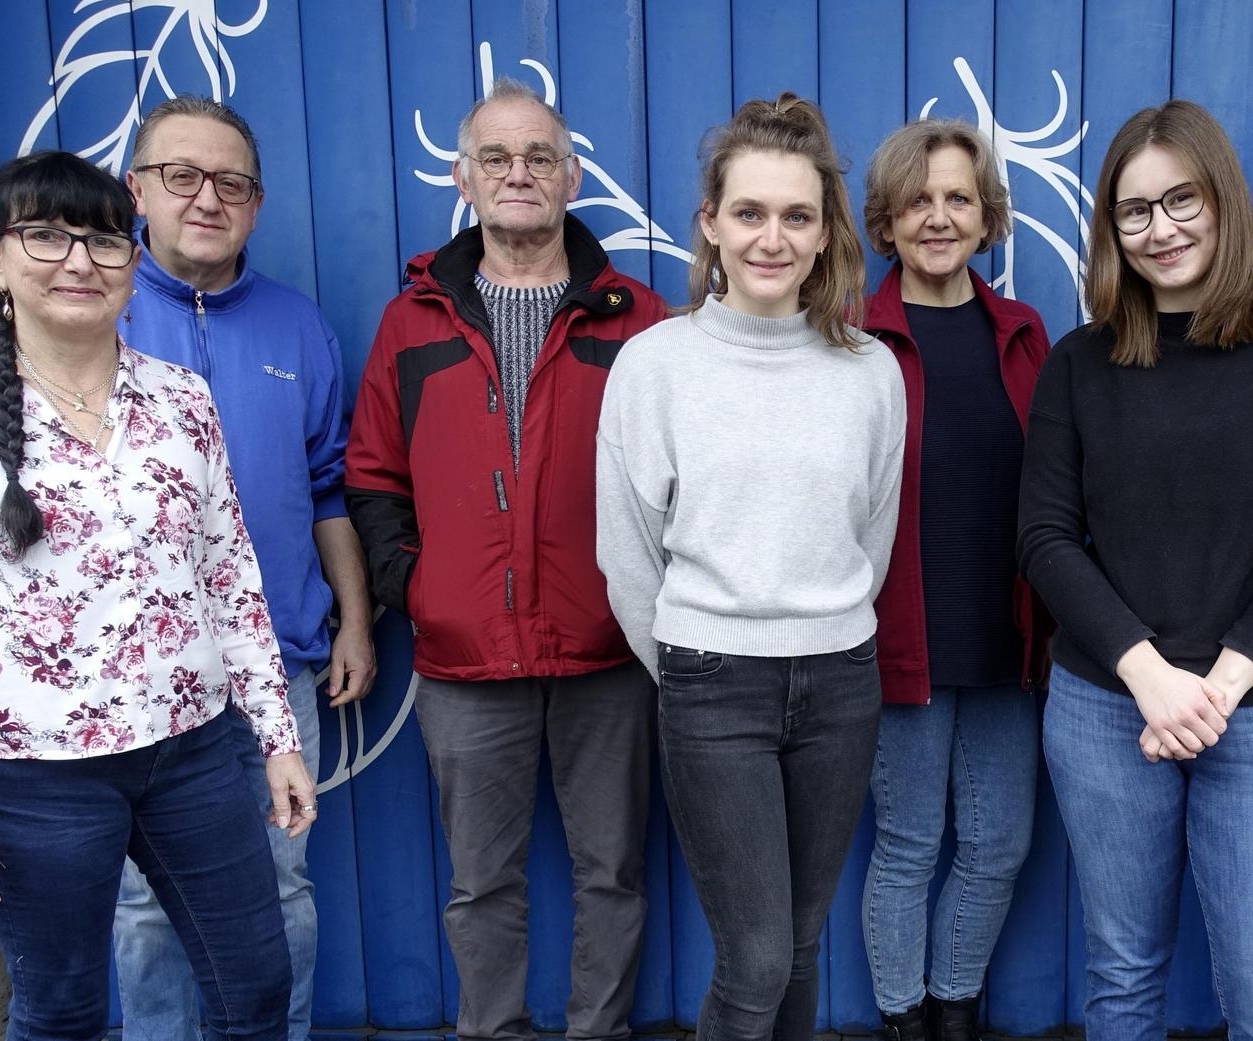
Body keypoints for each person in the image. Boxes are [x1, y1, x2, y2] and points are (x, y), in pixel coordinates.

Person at [0, 150, 315, 1041]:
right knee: (63, 1010)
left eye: (104, 240)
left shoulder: (182, 400)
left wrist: (274, 736)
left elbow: (228, 576)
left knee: (256, 984)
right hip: (33, 776)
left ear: (132, 253)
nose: (79, 261)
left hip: (192, 750)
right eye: (46, 235)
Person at [1016, 99, 1253, 1041]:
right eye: (1134, 211)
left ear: (1223, 201)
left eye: (1181, 200)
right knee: (1123, 978)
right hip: (1106, 704)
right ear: (1110, 228)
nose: (1160, 228)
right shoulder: (1078, 364)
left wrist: (1218, 682)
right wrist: (1146, 674)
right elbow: (1045, 536)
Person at [345, 77, 668, 1041]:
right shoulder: (413, 321)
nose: (517, 173)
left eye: (538, 156)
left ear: (571, 175)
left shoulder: (638, 317)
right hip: (463, 659)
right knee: (480, 879)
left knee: (612, 871)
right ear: (463, 176)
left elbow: (680, 480)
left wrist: (636, 600)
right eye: (496, 156)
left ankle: (596, 1030)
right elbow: (371, 475)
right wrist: (422, 588)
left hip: (607, 654)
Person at [595, 93, 906, 1041]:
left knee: (804, 939)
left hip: (842, 680)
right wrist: (696, 664)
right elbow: (626, 553)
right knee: (758, 954)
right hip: (710, 684)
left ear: (824, 235)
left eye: (796, 216)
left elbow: (873, 532)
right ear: (711, 224)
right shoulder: (656, 365)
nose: (771, 237)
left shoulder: (869, 370)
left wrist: (822, 627)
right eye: (749, 213)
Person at [111, 95, 374, 1041]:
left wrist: (352, 619)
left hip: (280, 663)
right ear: (137, 190)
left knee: (281, 885)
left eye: (231, 182)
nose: (207, 199)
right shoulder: (92, 313)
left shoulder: (299, 328)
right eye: (181, 176)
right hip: (132, 677)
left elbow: (327, 488)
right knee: (145, 904)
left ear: (256, 204)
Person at [856, 118, 1050, 1041]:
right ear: (886, 222)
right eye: (918, 199)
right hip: (901, 634)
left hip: (1005, 628)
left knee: (998, 843)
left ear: (987, 217)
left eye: (958, 198)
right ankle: (904, 1022)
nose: (939, 217)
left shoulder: (1021, 333)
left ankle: (953, 1007)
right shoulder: (852, 338)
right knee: (908, 843)